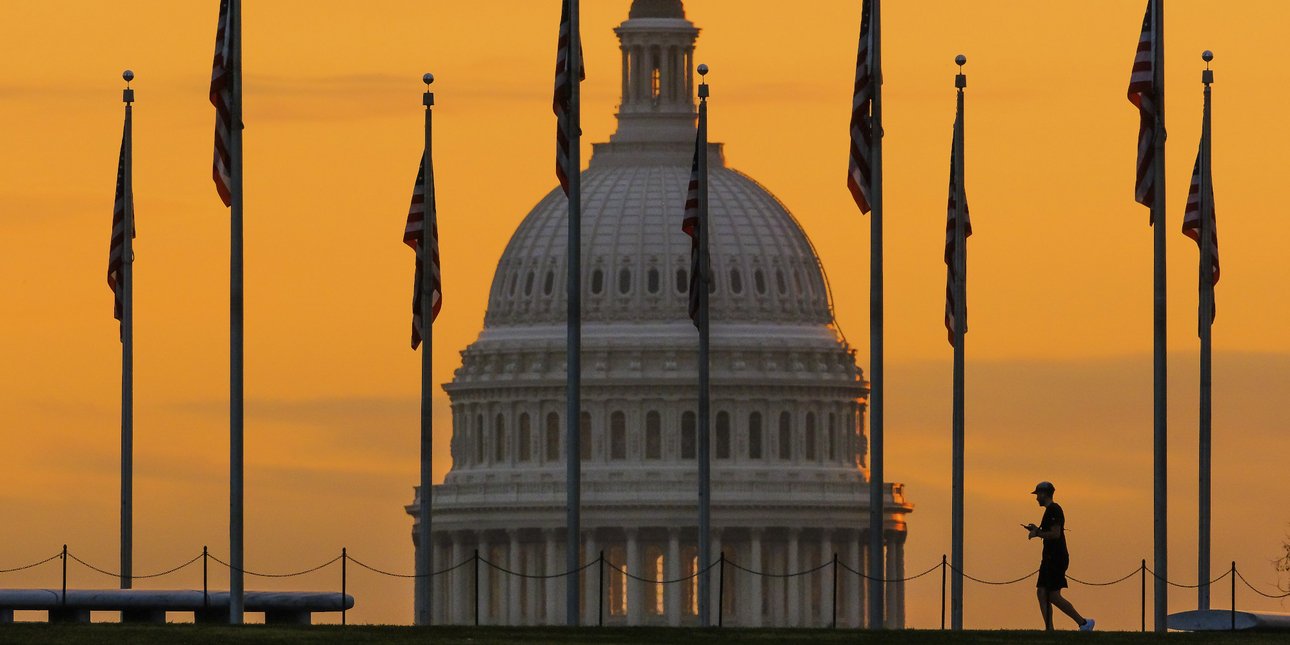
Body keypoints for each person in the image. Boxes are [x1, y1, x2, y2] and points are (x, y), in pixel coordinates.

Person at [1023, 481, 1094, 631]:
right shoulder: (1050, 511)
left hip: (1056, 558)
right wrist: (1037, 529)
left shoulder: (1054, 510)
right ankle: (1050, 628)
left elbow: (1055, 534)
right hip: (1049, 557)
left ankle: (1083, 623)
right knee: (1042, 592)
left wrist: (1037, 533)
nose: (1036, 498)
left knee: (1053, 595)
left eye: (1038, 495)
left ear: (1044, 494)